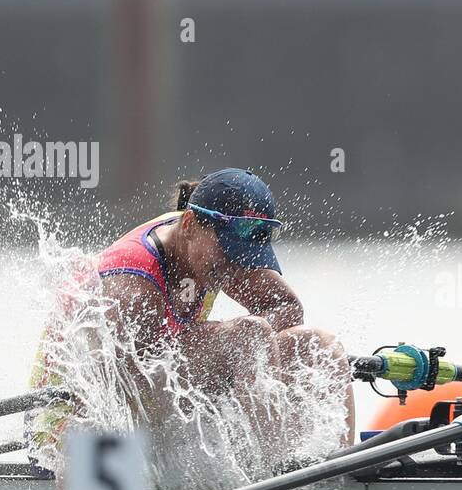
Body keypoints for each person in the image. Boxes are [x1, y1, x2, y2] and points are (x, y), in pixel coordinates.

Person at [29, 167, 354, 473]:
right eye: (228, 252)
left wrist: (248, 370)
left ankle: (344, 473)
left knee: (319, 345)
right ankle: (271, 475)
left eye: (244, 257)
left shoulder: (203, 240)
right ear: (188, 226)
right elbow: (126, 395)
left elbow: (284, 306)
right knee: (249, 335)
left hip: (152, 385)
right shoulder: (131, 287)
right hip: (70, 425)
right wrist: (234, 358)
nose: (234, 267)